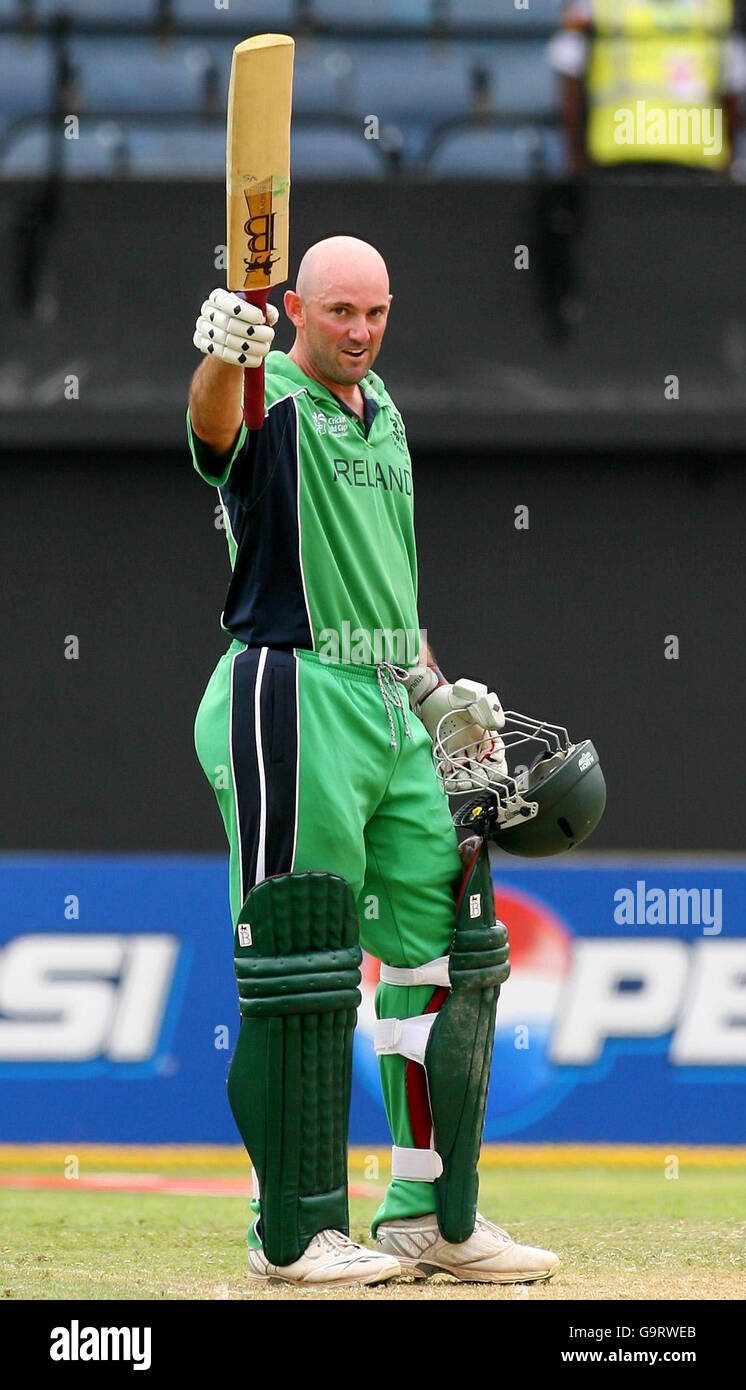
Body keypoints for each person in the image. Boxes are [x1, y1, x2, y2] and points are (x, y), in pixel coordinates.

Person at [187, 235, 559, 1287]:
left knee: (452, 940)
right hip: (290, 689)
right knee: (298, 958)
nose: (358, 332)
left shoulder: (382, 409)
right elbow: (213, 434)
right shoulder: (266, 393)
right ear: (296, 308)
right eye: (340, 312)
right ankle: (291, 1233)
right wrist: (221, 352)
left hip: (389, 700)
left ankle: (428, 1213)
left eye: (376, 313)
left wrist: (435, 692)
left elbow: (384, 578)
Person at [549, 0, 746, 175]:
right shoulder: (592, 5)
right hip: (615, 162)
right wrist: (577, 168)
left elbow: (732, 89)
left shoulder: (722, 7)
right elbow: (569, 74)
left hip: (700, 165)